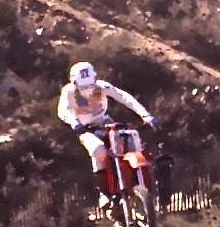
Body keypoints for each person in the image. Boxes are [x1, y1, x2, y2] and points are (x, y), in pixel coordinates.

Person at [56, 61, 157, 206]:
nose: (88, 90)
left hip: (103, 121)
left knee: (126, 142)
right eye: (83, 87)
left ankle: (132, 183)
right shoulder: (68, 91)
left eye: (90, 86)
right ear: (74, 82)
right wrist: (73, 122)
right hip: (83, 127)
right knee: (98, 150)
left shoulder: (102, 86)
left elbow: (124, 97)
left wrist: (145, 115)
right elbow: (62, 110)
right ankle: (104, 193)